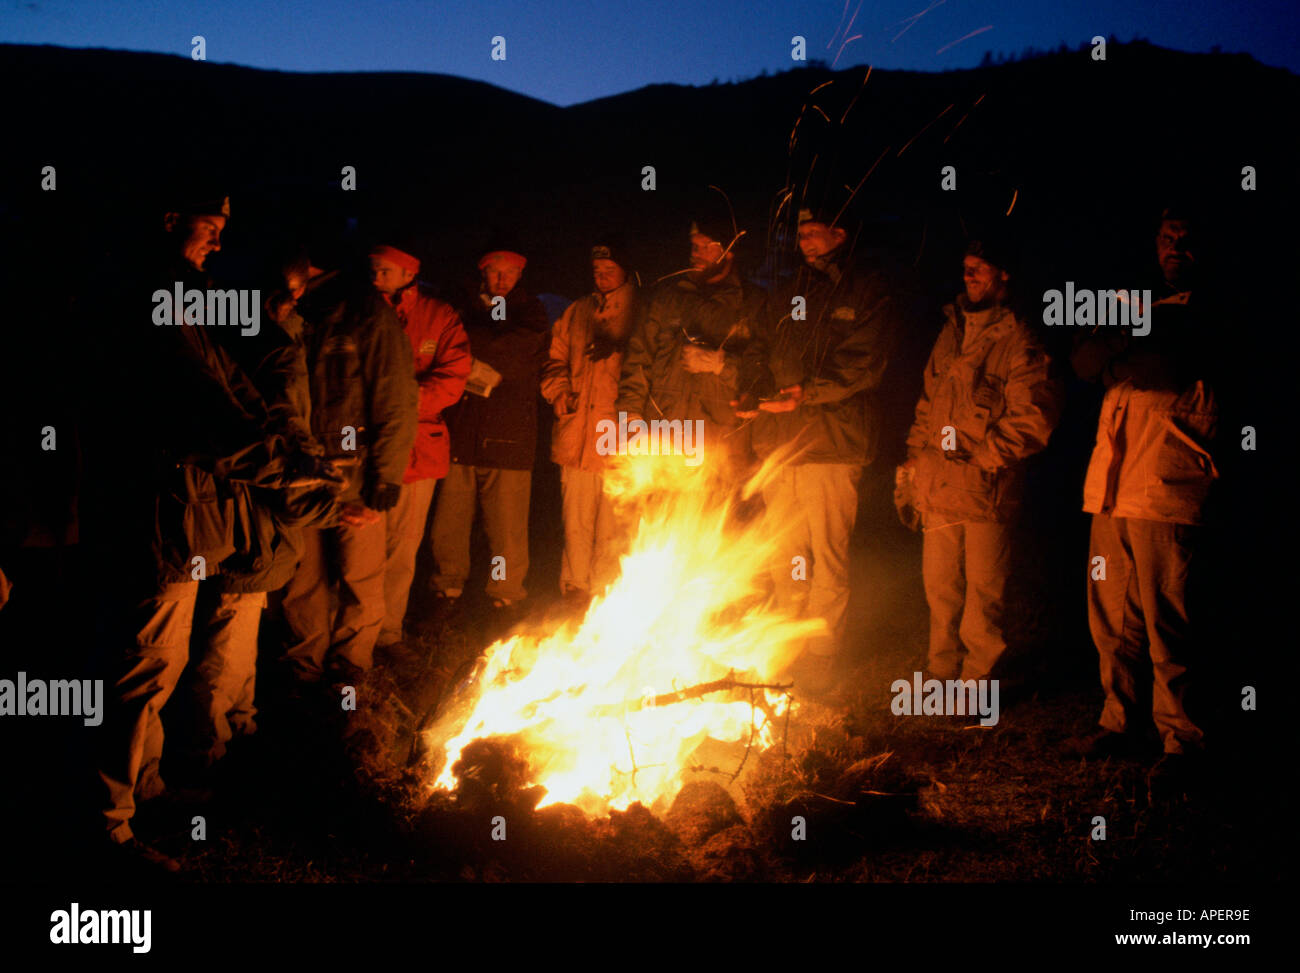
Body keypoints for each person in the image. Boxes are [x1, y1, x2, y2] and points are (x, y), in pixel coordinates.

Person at [89, 191, 297, 870]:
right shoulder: (153, 295)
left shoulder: (188, 293)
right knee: (142, 664)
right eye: (209, 227)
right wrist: (281, 467)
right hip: (154, 505)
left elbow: (231, 385)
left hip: (182, 509)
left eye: (222, 231)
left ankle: (145, 787)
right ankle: (107, 822)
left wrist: (281, 442)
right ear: (171, 220)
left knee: (162, 660)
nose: (217, 242)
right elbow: (196, 405)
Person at [1067, 207, 1220, 795]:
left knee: (1167, 621)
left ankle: (1183, 738)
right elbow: (1082, 359)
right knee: (1111, 617)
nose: (1173, 248)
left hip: (1169, 482)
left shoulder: (1214, 308)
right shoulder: (1140, 301)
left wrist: (1116, 351)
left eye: (1184, 239)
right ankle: (1119, 722)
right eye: (1165, 238)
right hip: (1111, 485)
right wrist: (1117, 348)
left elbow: (1161, 369)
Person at [737, 206, 900, 694]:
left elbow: (864, 364)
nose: (805, 242)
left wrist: (805, 393)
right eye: (801, 234)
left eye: (814, 233)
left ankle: (822, 655)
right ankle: (785, 652)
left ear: (840, 234)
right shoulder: (791, 292)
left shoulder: (866, 290)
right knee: (787, 555)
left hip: (832, 444)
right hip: (782, 445)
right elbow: (758, 347)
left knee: (826, 558)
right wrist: (752, 389)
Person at [898, 238, 1062, 686]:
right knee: (940, 586)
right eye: (966, 268)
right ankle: (941, 669)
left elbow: (1034, 418)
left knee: (984, 591)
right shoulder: (952, 329)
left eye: (980, 269)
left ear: (1004, 275)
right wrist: (915, 458)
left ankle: (977, 680)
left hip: (986, 488)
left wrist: (982, 457)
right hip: (938, 484)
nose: (969, 276)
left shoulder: (1020, 339)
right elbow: (929, 400)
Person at [280, 258, 417, 684]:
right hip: (303, 477)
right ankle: (304, 671)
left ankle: (350, 675)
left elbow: (395, 397)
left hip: (354, 479)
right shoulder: (294, 314)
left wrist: (386, 478)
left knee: (359, 578)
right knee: (304, 579)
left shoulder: (366, 313)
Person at [430, 241, 549, 613]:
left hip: (509, 433)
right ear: (483, 272)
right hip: (462, 431)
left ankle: (505, 589)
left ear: (520, 276)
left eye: (510, 273)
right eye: (496, 272)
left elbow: (518, 349)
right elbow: (449, 344)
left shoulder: (531, 311)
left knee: (506, 525)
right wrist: (482, 352)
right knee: (451, 519)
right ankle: (447, 584)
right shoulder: (461, 305)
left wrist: (469, 354)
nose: (502, 279)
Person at [368, 243, 470, 655]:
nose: (376, 278)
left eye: (385, 271)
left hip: (418, 448)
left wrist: (402, 401)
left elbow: (454, 375)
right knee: (360, 548)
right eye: (372, 270)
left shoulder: (439, 316)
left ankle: (387, 632)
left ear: (410, 272)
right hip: (367, 447)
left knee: (403, 549)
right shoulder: (361, 312)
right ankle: (354, 633)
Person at [617, 206, 763, 479]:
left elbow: (761, 374)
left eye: (705, 247)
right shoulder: (666, 298)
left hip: (719, 446)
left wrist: (720, 364)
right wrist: (630, 419)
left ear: (728, 251)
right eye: (694, 247)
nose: (696, 254)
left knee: (713, 520)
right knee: (658, 519)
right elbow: (638, 359)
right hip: (665, 441)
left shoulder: (750, 304)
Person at [540, 237, 642, 605]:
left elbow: (648, 364)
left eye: (608, 270)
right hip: (576, 434)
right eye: (596, 271)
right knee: (576, 519)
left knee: (612, 522)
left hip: (619, 436)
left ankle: (604, 594)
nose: (601, 277)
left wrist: (618, 347)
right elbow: (554, 358)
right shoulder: (577, 311)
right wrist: (559, 391)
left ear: (625, 271)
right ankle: (575, 590)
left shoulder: (640, 311)